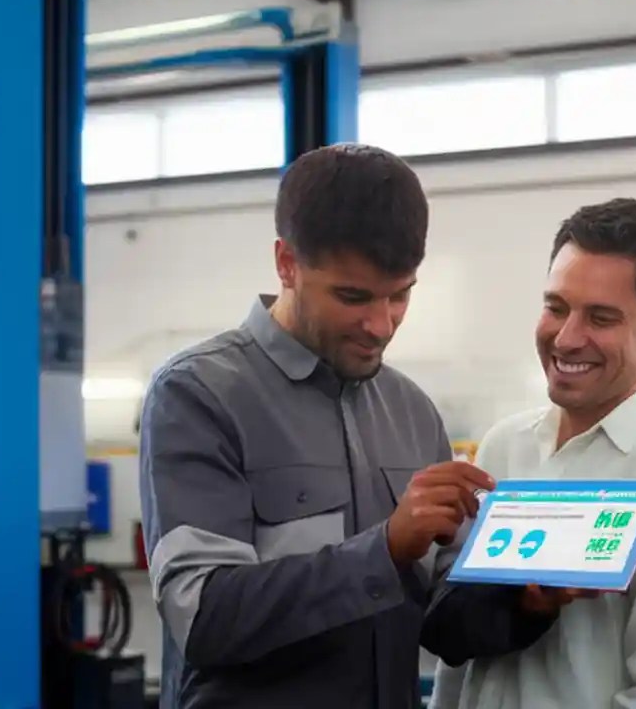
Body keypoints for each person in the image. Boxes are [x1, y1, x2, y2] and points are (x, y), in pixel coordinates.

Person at [137, 143, 497, 709]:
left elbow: (443, 624)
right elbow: (205, 617)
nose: (381, 325)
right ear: (287, 264)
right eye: (352, 297)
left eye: (400, 295)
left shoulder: (412, 410)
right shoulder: (198, 395)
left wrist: (527, 597)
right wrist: (385, 549)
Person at [422, 198, 636, 709]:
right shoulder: (504, 448)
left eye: (600, 317)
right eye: (556, 307)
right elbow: (459, 660)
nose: (567, 338)